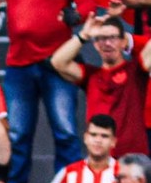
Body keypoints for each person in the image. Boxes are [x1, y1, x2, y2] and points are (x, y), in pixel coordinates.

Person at [0, 0, 84, 183]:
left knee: (65, 132)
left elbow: (87, 2)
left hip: (58, 62)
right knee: (18, 135)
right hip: (19, 64)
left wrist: (79, 14)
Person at [51, 15, 150, 158]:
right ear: (96, 45)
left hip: (133, 159)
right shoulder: (91, 75)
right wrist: (84, 35)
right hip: (100, 160)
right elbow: (58, 62)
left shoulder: (136, 70)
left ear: (124, 42)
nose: (107, 43)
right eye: (102, 39)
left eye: (113, 38)